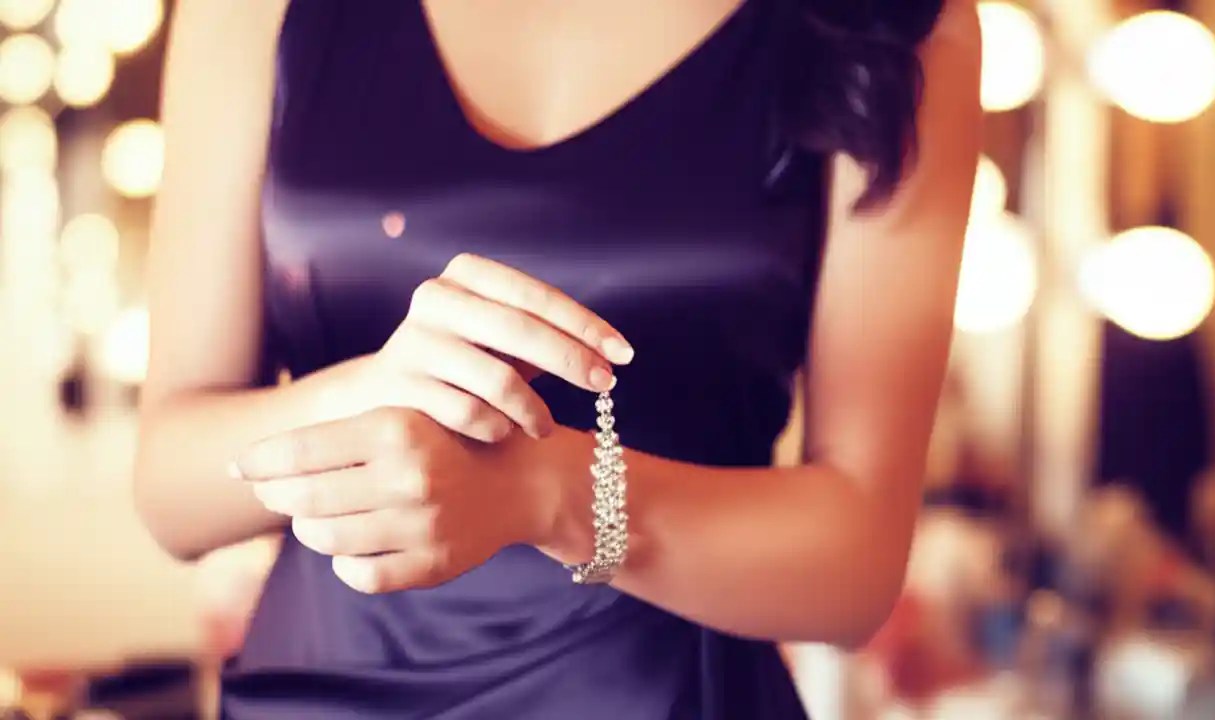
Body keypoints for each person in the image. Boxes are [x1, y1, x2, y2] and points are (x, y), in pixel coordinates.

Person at [133, 0, 980, 716]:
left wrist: (545, 493)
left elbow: (858, 567)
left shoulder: (897, 23)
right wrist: (372, 408)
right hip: (322, 696)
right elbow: (171, 490)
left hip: (666, 699)